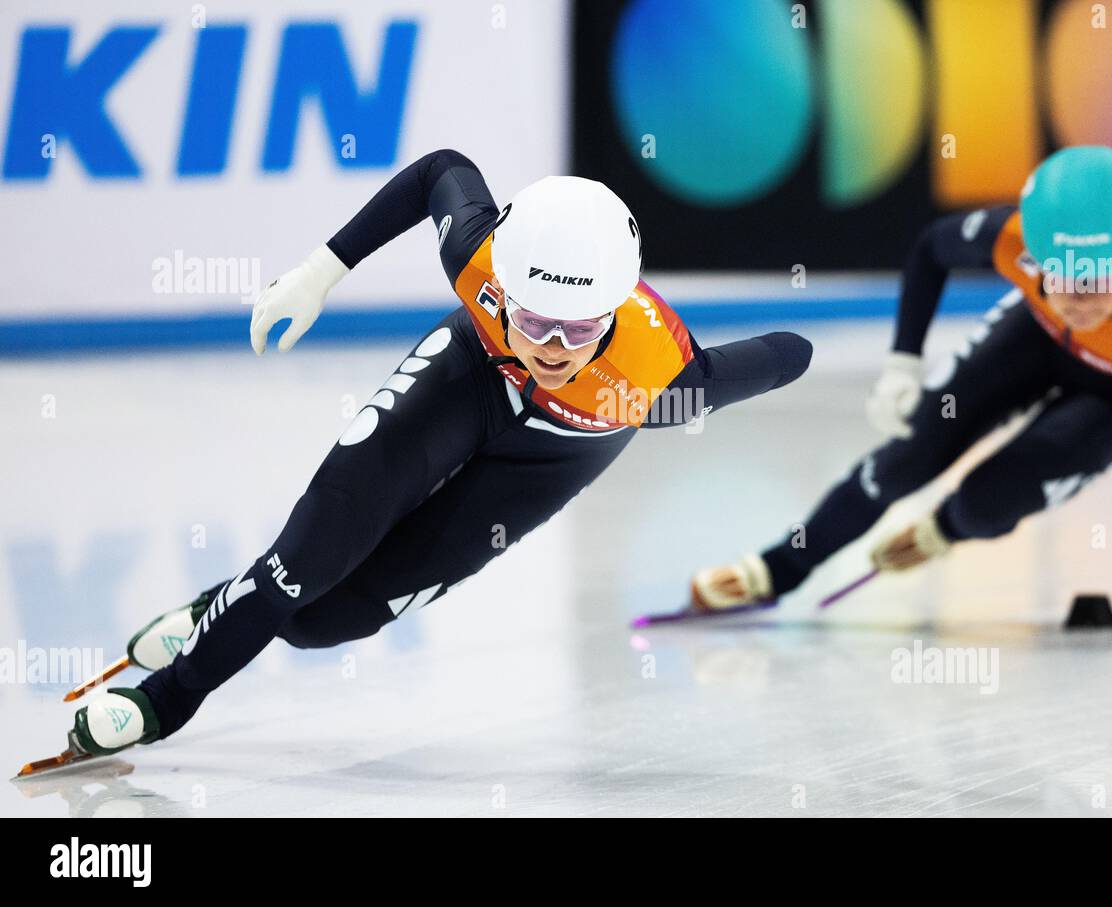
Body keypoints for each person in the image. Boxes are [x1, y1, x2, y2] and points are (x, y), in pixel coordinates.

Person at [65, 149, 813, 756]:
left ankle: (222, 604)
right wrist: (320, 273)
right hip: (469, 373)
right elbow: (437, 170)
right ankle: (167, 696)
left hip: (561, 448)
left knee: (323, 621)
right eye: (533, 319)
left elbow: (790, 351)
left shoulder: (658, 379)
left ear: (614, 311)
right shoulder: (477, 256)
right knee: (309, 557)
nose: (551, 349)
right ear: (503, 289)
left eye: (578, 331)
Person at [691, 146, 1112, 655]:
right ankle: (780, 566)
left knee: (989, 503)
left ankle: (948, 528)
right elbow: (928, 252)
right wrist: (903, 363)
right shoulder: (1012, 237)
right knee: (905, 459)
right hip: (1037, 338)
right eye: (1065, 279)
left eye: (1099, 282)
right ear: (1038, 258)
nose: (1083, 299)